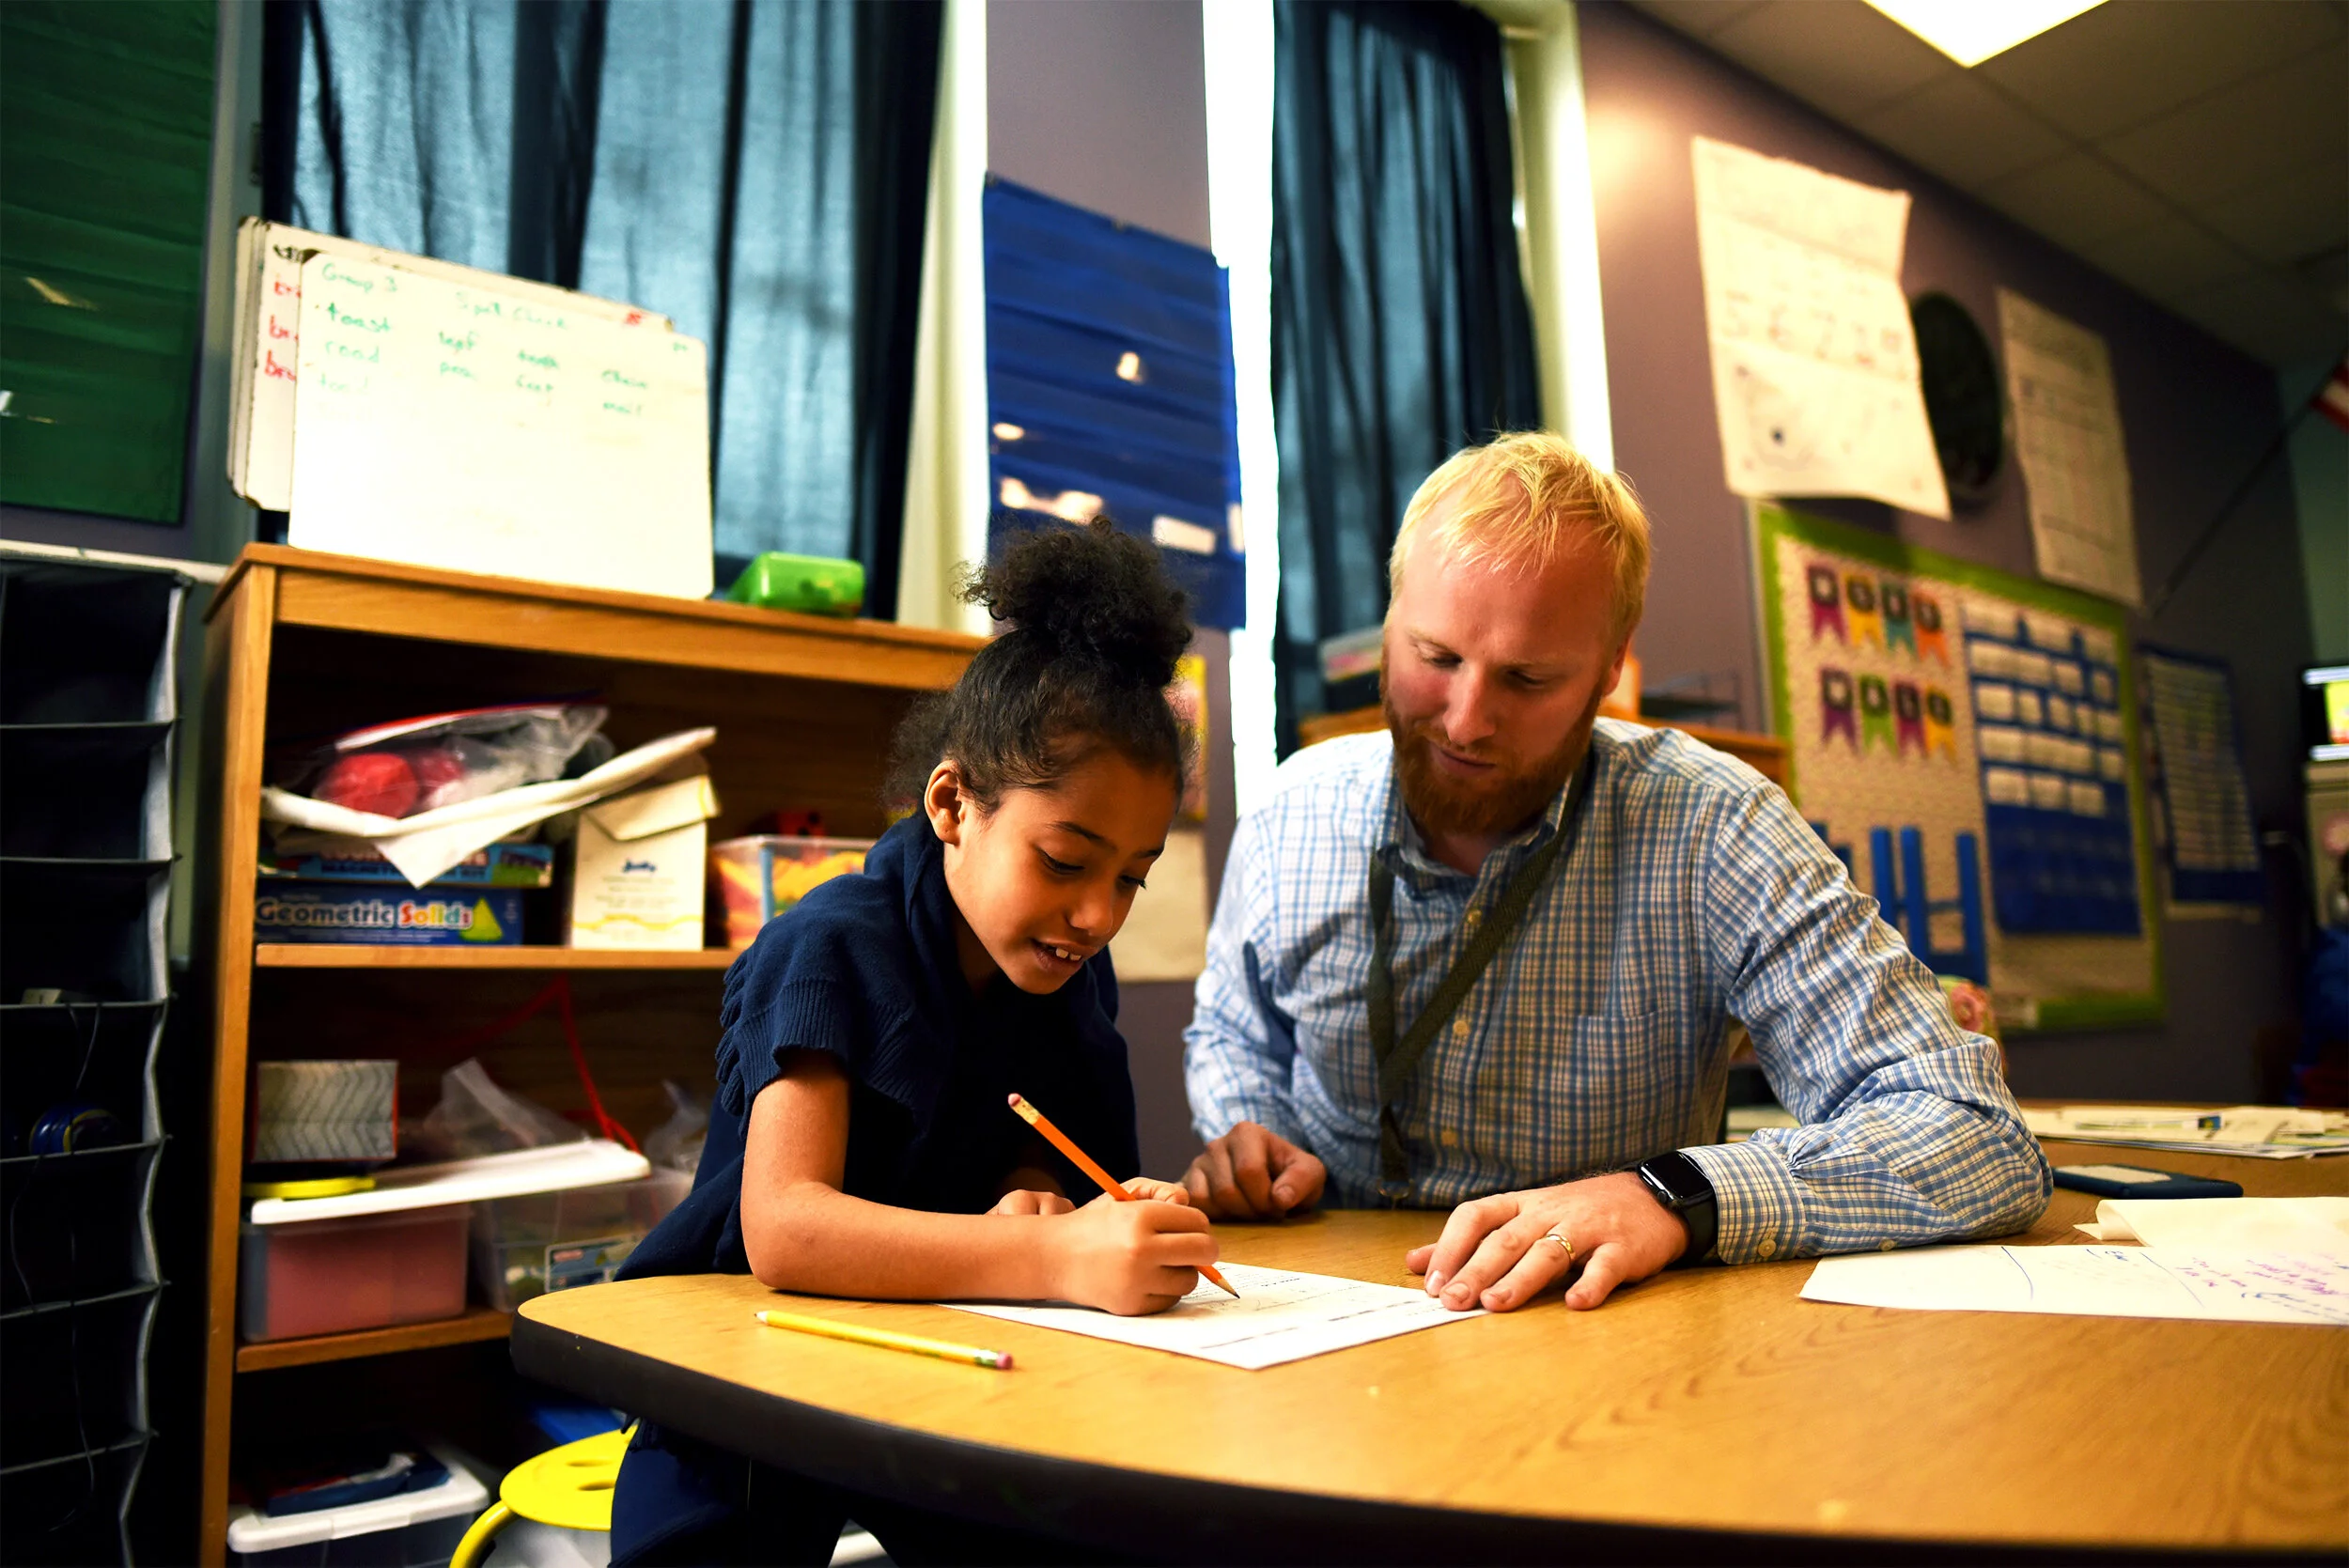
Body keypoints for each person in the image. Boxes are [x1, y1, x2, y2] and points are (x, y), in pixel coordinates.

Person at [1182, 431, 2048, 1316]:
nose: (1467, 720)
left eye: (1526, 678)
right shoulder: (1290, 814)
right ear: (1391, 613)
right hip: (1330, 1324)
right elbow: (1232, 1032)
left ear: (1609, 667)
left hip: (1601, 1336)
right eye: (1435, 656)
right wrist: (1250, 1135)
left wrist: (1668, 1195)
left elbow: (1974, 1133)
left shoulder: (1719, 829)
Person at [612, 520, 1217, 1566]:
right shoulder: (826, 945)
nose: (1096, 914)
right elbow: (787, 1230)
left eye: (1130, 875)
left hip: (947, 1361)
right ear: (951, 803)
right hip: (747, 1372)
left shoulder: (1065, 968)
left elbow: (1041, 1144)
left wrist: (1046, 1197)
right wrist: (1050, 1253)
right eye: (1066, 860)